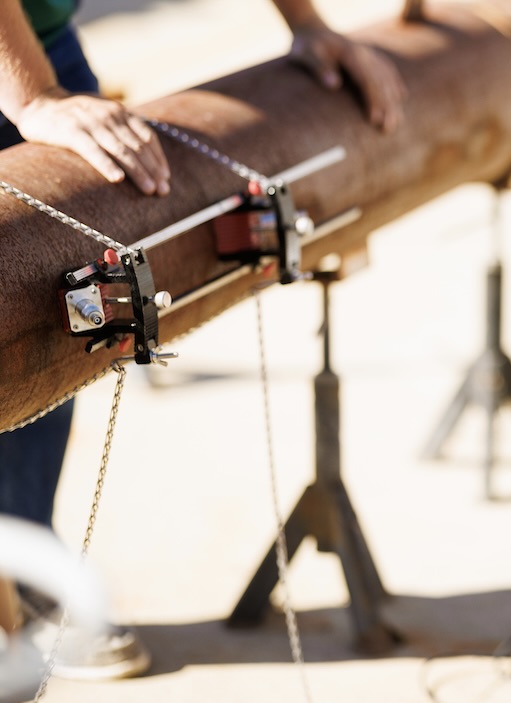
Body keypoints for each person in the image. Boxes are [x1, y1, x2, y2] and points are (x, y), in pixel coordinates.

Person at [0, 0, 402, 681]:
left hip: (36, 36)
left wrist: (305, 23)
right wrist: (34, 94)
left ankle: (23, 559)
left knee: (53, 318)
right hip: (24, 61)